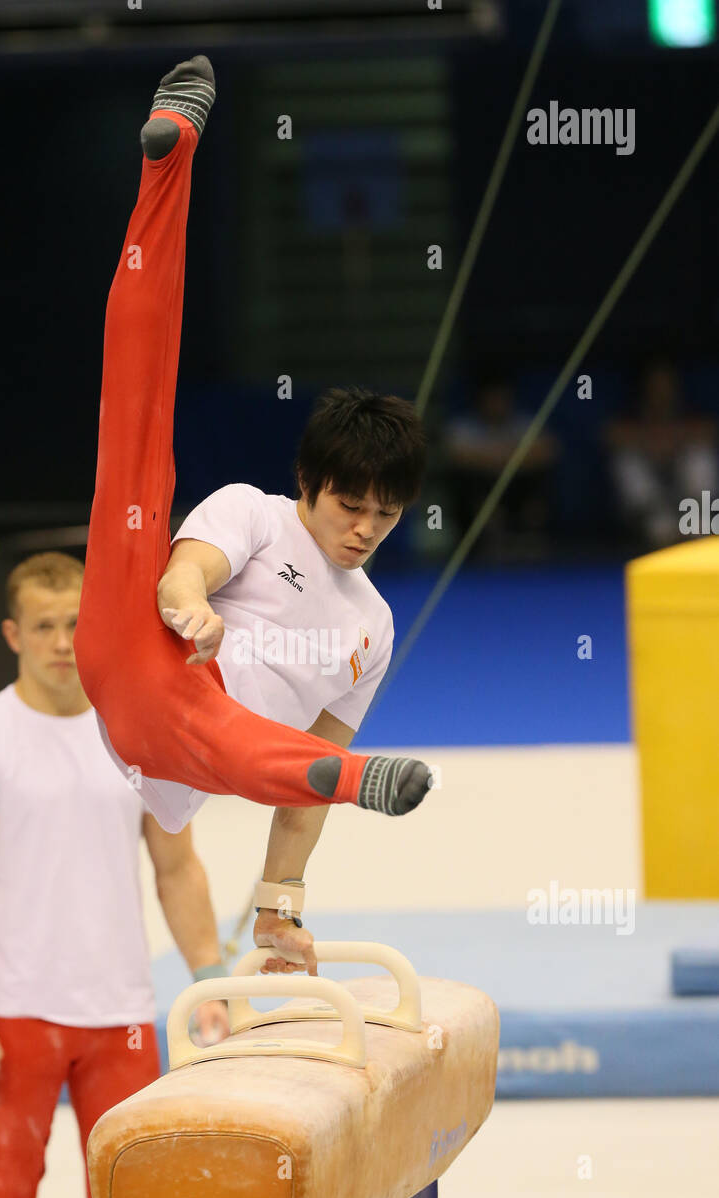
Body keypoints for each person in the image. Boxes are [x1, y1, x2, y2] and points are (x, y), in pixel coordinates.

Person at [73, 56, 432, 981]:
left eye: (385, 518)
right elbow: (185, 571)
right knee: (135, 414)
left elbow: (298, 774)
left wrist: (280, 909)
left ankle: (356, 781)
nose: (364, 529)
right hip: (153, 658)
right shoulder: (258, 514)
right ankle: (169, 159)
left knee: (278, 758)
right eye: (350, 505)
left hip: (192, 740)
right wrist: (191, 605)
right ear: (307, 482)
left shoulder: (372, 626)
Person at [0, 551, 228, 1198]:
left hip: (119, 1014)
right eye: (46, 626)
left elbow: (177, 868)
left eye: (77, 624)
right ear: (12, 635)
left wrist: (211, 979)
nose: (64, 641)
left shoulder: (136, 735)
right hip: (14, 1017)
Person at [604, 356, 718, 548]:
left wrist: (672, 439)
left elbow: (709, 431)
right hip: (654, 505)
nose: (661, 391)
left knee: (700, 457)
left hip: (688, 500)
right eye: (656, 385)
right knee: (627, 461)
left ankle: (696, 523)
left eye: (666, 385)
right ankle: (660, 528)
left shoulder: (687, 410)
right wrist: (650, 441)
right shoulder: (632, 412)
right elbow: (610, 434)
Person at [443, 367, 556, 551]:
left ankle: (530, 536)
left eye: (501, 398)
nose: (497, 404)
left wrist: (494, 458)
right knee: (469, 481)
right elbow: (458, 456)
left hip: (517, 484)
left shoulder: (522, 422)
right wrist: (509, 457)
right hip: (482, 484)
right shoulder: (464, 426)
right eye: (492, 399)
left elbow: (548, 451)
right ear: (480, 400)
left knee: (539, 479)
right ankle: (492, 537)